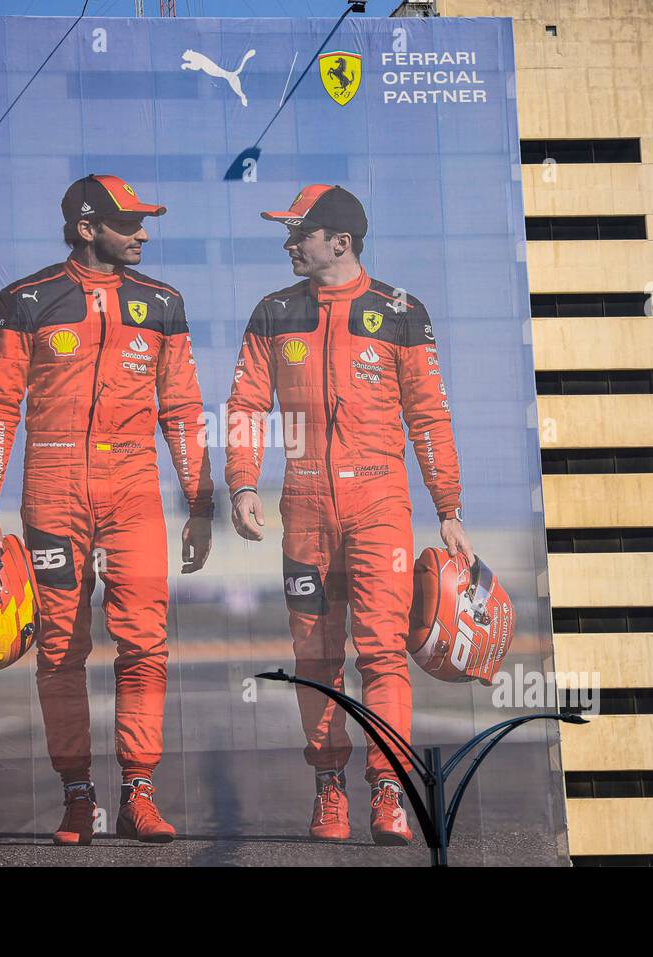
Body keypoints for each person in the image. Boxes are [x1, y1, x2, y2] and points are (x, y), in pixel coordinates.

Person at [0, 174, 214, 845]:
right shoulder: (25, 299)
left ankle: (139, 792)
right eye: (128, 223)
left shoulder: (163, 302)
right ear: (85, 227)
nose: (143, 233)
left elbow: (184, 412)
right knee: (60, 649)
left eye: (143, 222)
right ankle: (78, 797)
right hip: (52, 488)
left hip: (133, 491)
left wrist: (201, 504)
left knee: (143, 641)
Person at [225, 184, 472, 845]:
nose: (288, 243)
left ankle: (388, 792)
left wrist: (447, 505)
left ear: (340, 241)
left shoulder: (400, 311)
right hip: (303, 506)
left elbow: (428, 413)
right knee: (315, 657)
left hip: (380, 503)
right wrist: (242, 483)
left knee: (383, 651)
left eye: (298, 232)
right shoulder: (273, 312)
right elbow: (247, 404)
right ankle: (328, 790)